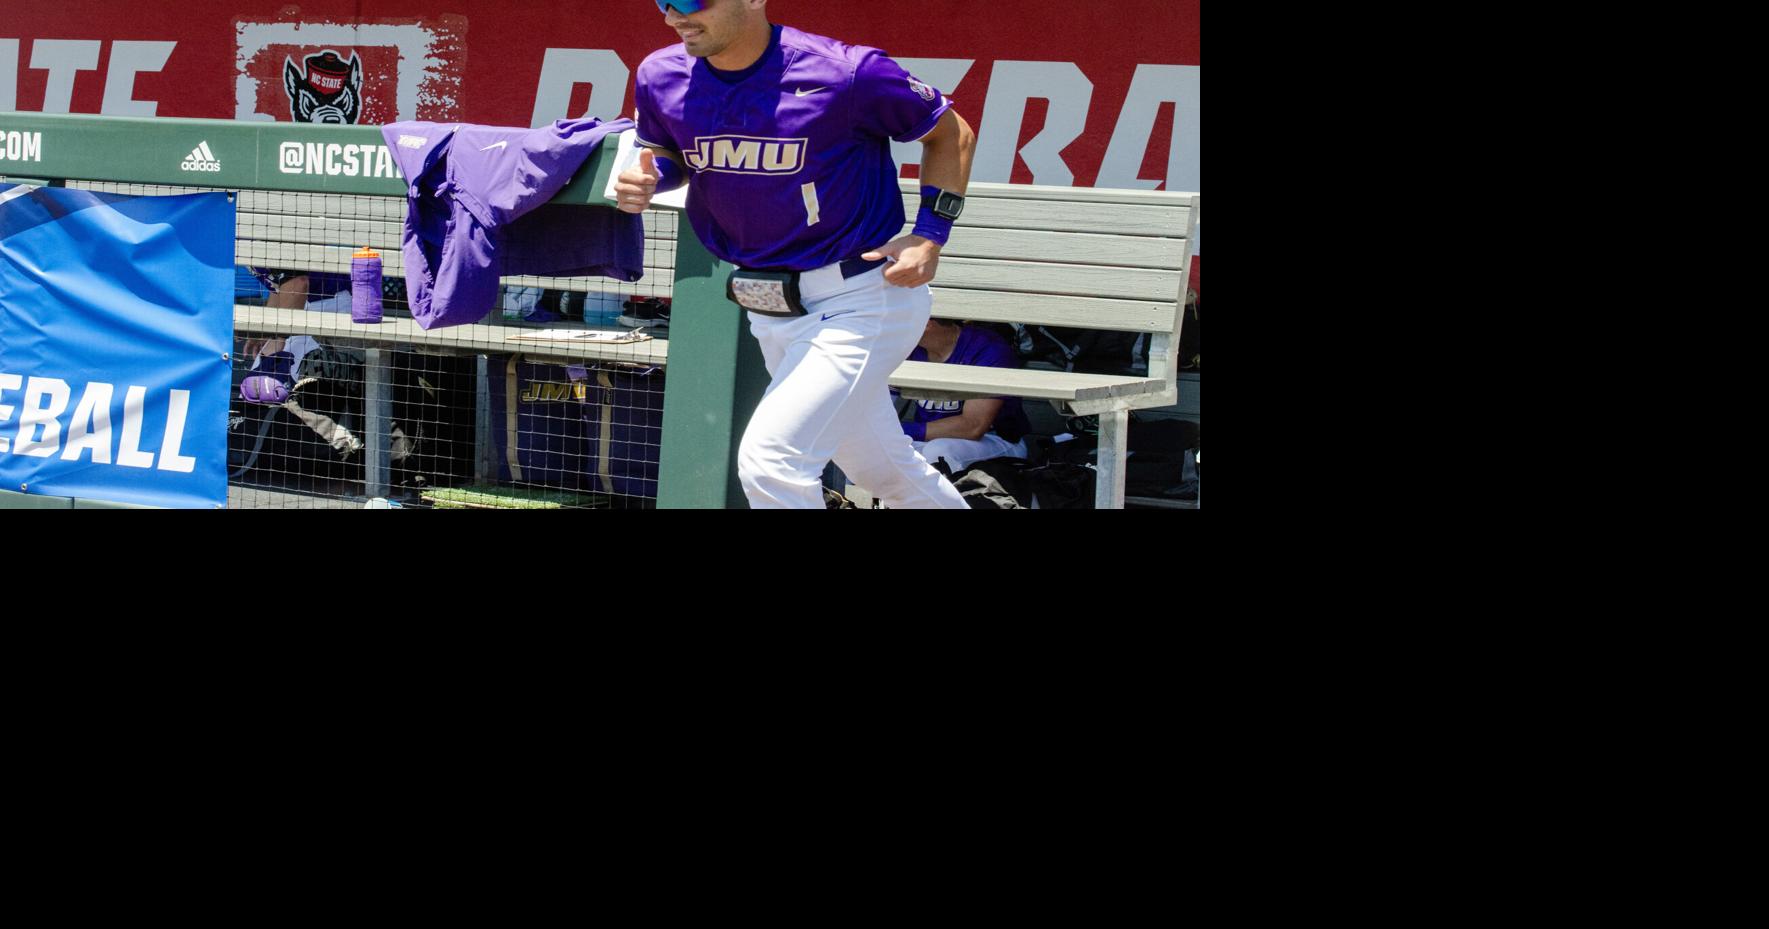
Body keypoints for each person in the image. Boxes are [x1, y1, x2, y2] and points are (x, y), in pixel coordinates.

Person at [615, 0, 976, 509]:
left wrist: (930, 235)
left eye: (693, 0)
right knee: (884, 470)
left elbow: (951, 133)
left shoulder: (847, 72)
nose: (674, 15)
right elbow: (669, 152)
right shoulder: (660, 74)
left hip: (860, 298)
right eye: (663, 0)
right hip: (770, 307)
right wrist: (654, 177)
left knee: (772, 461)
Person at [902, 319, 1033, 474]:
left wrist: (899, 430)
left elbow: (973, 427)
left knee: (938, 452)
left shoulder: (987, 348)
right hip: (927, 438)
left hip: (995, 441)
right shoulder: (904, 348)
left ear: (926, 323)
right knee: (886, 449)